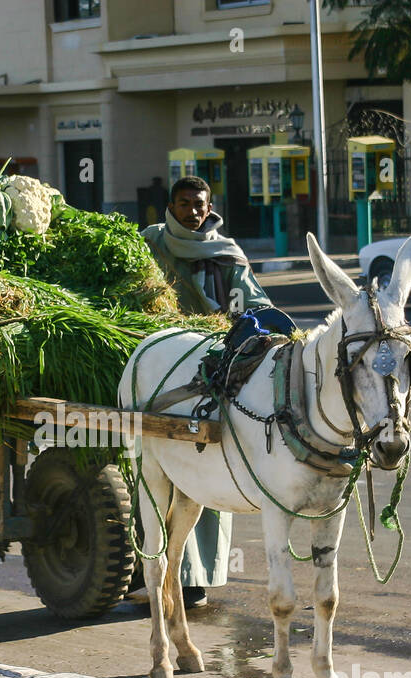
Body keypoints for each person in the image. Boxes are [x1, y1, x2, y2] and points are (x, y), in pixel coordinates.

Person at [140, 175, 273, 608]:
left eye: (199, 205)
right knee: (154, 469)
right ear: (171, 206)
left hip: (206, 368)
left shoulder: (226, 255)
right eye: (183, 204)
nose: (192, 212)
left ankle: (194, 579)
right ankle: (149, 567)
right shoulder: (150, 244)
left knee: (203, 462)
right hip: (156, 360)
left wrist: (266, 327)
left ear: (209, 206)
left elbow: (252, 304)